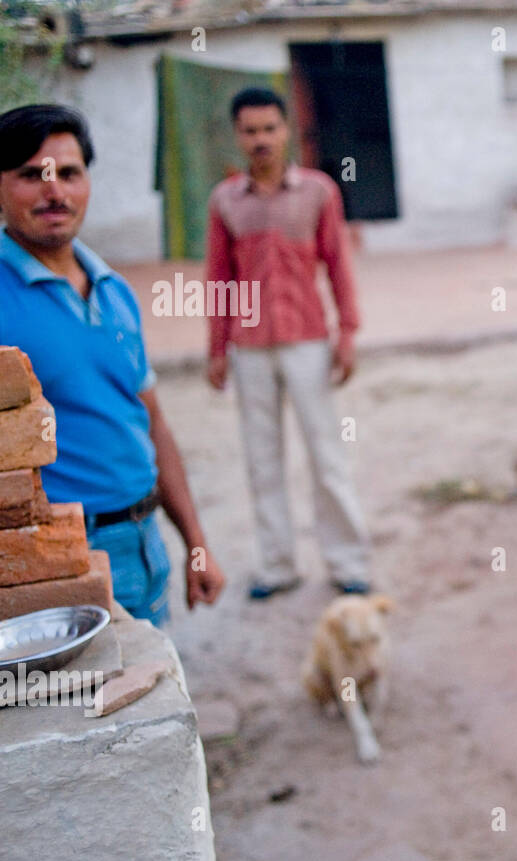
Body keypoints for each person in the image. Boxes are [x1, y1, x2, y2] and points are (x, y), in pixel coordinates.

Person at [0, 104, 225, 626]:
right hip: (55, 562)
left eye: (69, 173)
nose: (55, 192)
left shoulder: (113, 289)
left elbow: (151, 421)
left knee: (153, 697)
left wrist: (195, 543)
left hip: (143, 544)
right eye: (32, 176)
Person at [205, 87, 372, 599]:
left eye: (269, 129)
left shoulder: (318, 192)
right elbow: (219, 279)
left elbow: (339, 264)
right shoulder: (225, 201)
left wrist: (347, 332)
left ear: (287, 131)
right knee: (262, 457)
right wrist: (216, 349)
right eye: (250, 131)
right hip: (249, 346)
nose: (261, 140)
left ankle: (348, 563)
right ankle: (277, 566)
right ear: (238, 135)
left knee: (326, 454)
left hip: (307, 340)